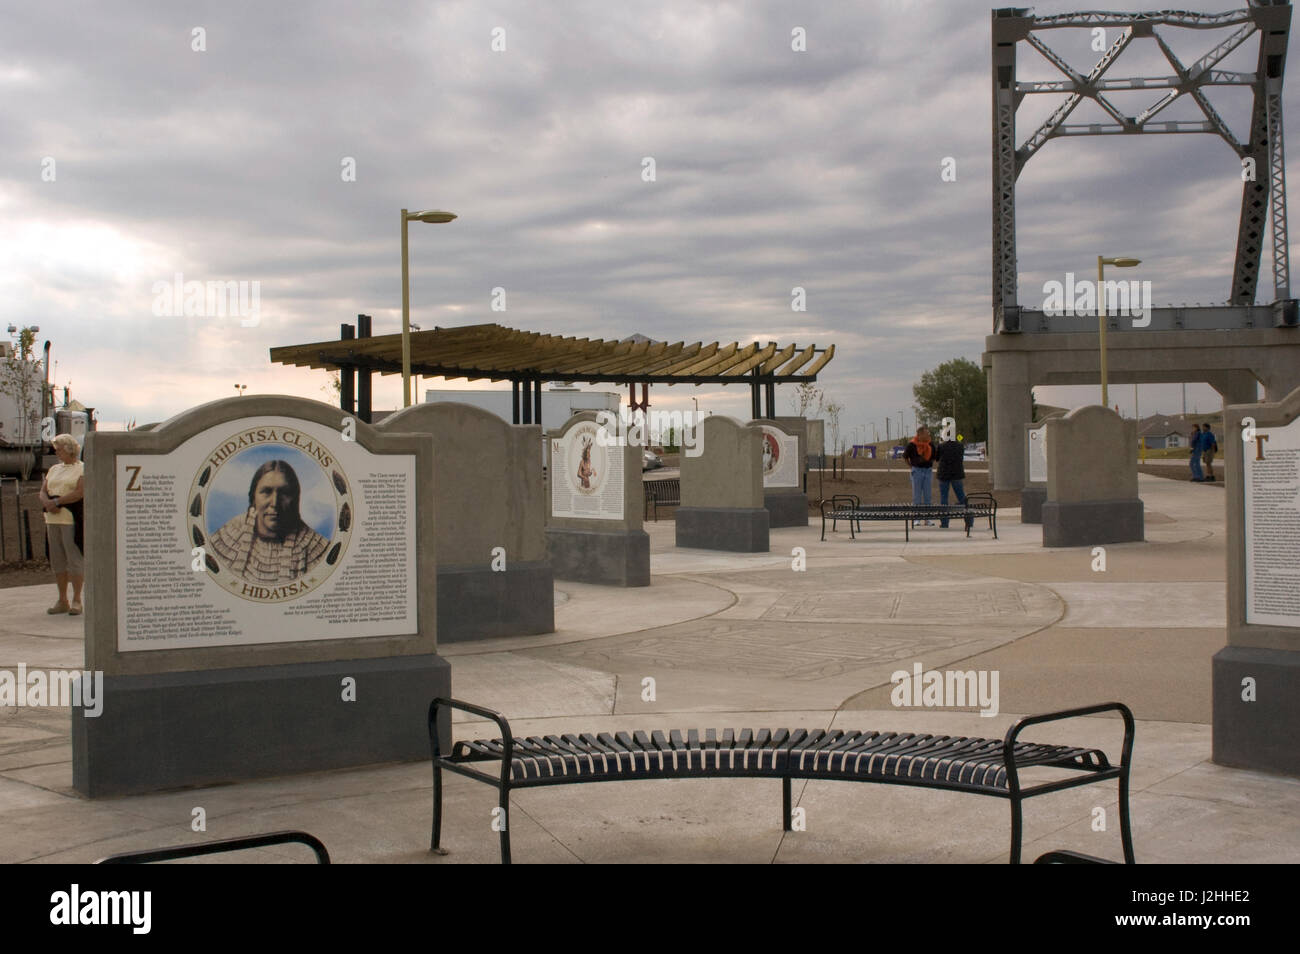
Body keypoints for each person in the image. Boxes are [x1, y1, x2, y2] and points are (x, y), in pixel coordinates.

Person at [210, 459, 330, 585]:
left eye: (284, 493)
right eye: (266, 492)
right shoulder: (227, 537)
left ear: (295, 499)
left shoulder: (316, 549)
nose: (275, 503)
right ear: (253, 497)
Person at [41, 434, 85, 615]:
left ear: (69, 449)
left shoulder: (83, 468)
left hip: (70, 520)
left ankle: (76, 600)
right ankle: (62, 599)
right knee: (58, 560)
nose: (56, 452)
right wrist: (47, 502)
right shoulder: (54, 469)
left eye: (59, 449)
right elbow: (43, 490)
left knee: (74, 559)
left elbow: (79, 492)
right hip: (52, 519)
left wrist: (58, 502)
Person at [933, 434, 971, 529]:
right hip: (957, 473)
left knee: (944, 498)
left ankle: (945, 522)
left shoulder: (941, 446)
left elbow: (936, 458)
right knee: (961, 497)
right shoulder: (960, 446)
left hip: (944, 474)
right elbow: (961, 457)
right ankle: (969, 520)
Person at [903, 425, 935, 525]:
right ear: (920, 434)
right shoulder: (912, 445)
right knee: (917, 496)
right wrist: (912, 467)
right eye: (926, 433)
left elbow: (934, 456)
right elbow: (905, 457)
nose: (928, 435)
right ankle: (916, 518)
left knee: (927, 496)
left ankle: (927, 518)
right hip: (917, 471)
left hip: (928, 471)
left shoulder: (930, 444)